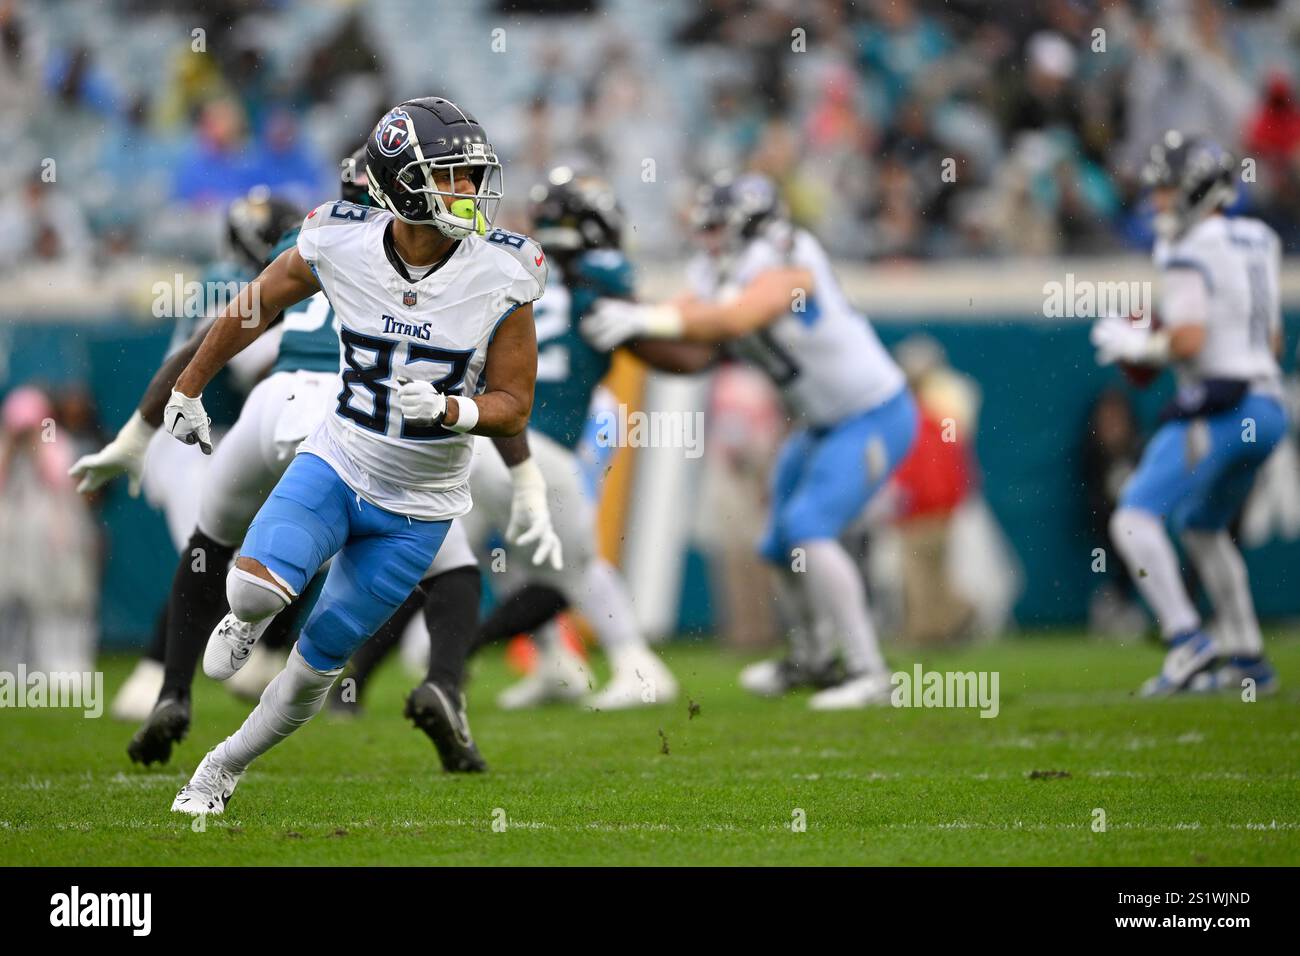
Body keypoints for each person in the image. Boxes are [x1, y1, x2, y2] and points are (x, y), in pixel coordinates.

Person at [124, 95, 542, 815]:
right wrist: (189, 387)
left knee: (316, 666)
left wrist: (454, 409)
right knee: (251, 591)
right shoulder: (337, 239)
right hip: (339, 462)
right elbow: (253, 306)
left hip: (420, 511)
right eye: (451, 176)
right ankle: (244, 618)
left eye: (474, 175)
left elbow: (514, 402)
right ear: (403, 184)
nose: (470, 191)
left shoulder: (504, 271)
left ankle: (220, 771)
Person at [584, 172, 919, 709]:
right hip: (819, 424)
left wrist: (645, 316)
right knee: (779, 540)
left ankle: (869, 670)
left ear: (753, 226)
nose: (709, 238)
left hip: (873, 414)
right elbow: (695, 322)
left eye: (719, 227)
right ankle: (812, 659)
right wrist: (635, 322)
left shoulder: (789, 255)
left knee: (810, 529)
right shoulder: (723, 268)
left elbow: (739, 315)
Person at [1091, 130, 1285, 696]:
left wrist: (1137, 347)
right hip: (1269, 407)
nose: (1156, 203)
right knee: (1201, 527)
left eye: (1166, 190)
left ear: (1197, 190)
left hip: (1222, 403)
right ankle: (1248, 656)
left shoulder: (1188, 249)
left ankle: (1187, 640)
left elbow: (1189, 340)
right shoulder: (1259, 239)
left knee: (1132, 517)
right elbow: (1270, 342)